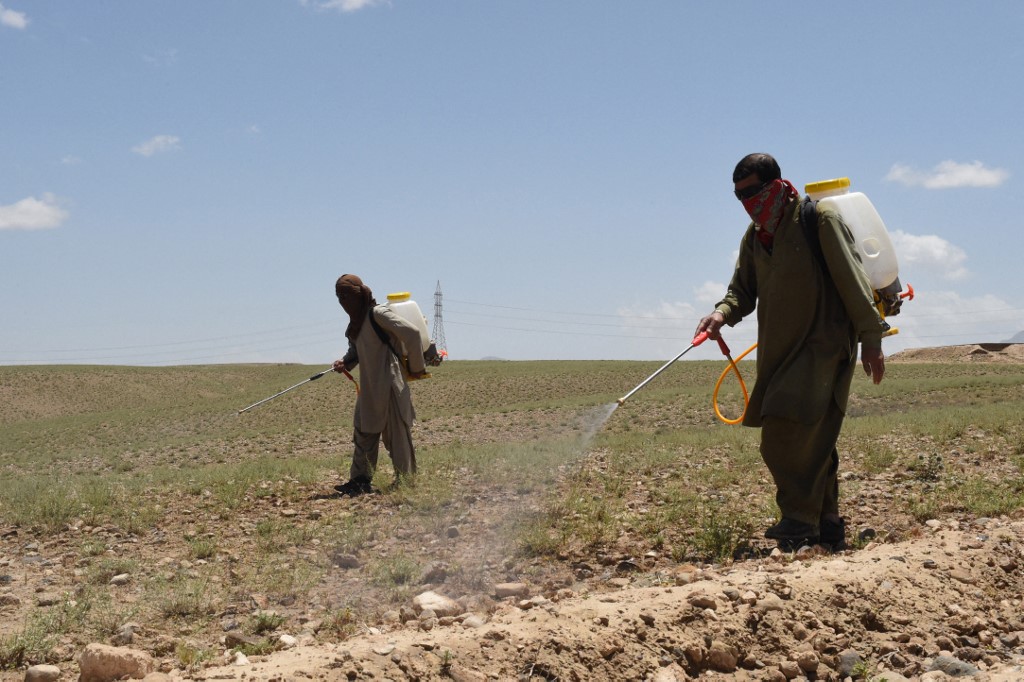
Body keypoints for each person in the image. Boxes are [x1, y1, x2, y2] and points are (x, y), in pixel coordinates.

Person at [694, 153, 886, 551]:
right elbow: (741, 291)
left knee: (786, 430)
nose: (747, 203)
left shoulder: (819, 220)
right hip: (780, 351)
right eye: (739, 197)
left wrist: (871, 337)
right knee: (813, 435)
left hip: (823, 345)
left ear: (777, 185)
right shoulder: (756, 235)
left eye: (753, 192)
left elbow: (852, 282)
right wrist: (720, 314)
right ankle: (828, 523)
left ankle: (799, 521)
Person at [332, 274, 427, 496]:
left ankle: (405, 480)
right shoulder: (355, 324)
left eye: (347, 295)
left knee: (397, 436)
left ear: (360, 293)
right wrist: (344, 362)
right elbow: (357, 352)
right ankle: (360, 481)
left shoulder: (378, 314)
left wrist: (416, 368)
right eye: (339, 296)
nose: (343, 301)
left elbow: (412, 334)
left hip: (390, 383)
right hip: (369, 387)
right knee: (364, 433)